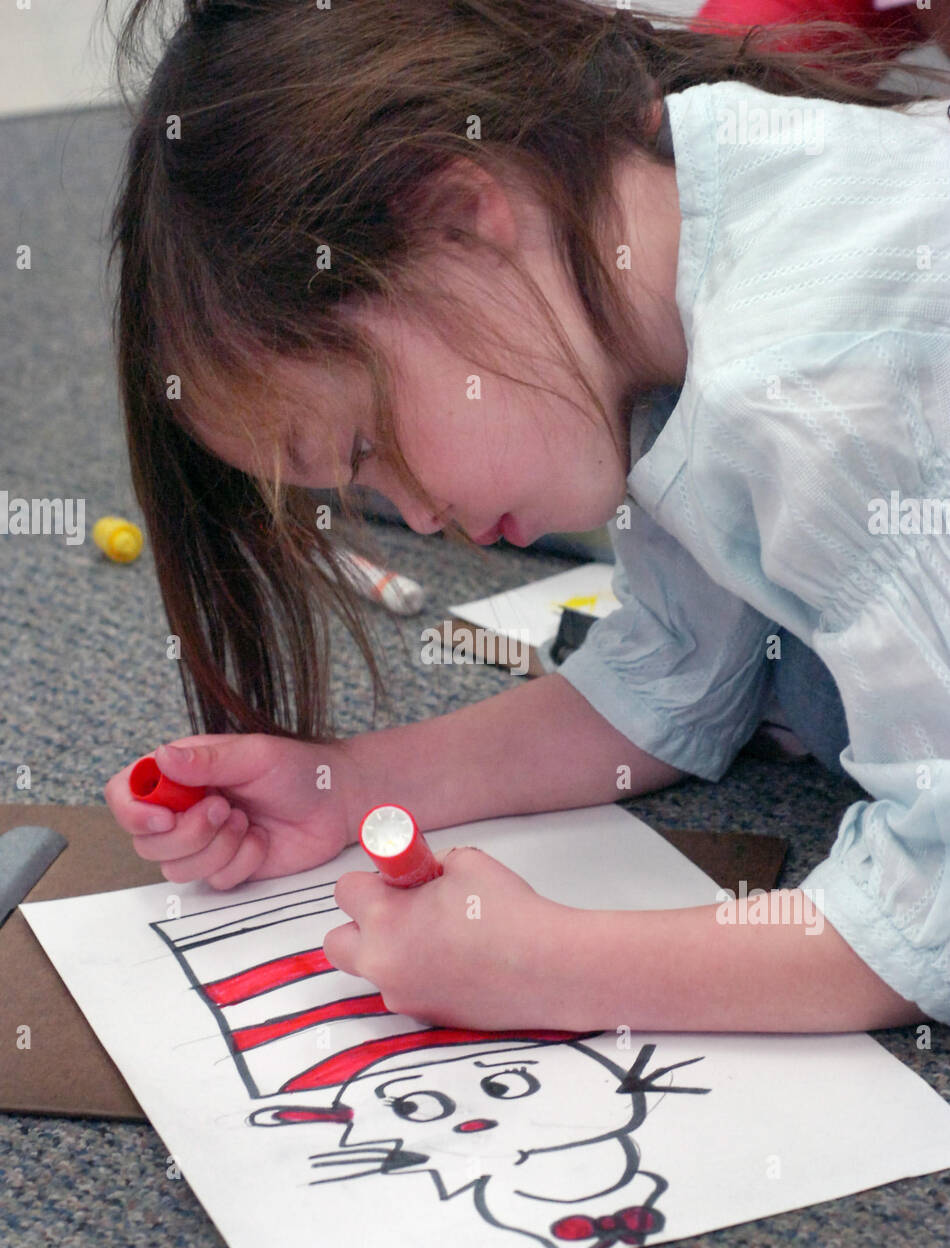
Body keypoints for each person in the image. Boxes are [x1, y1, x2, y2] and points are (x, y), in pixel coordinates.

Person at [104, 0, 950, 1034]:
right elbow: (680, 677)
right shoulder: (654, 261)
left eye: (367, 446)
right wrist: (350, 784)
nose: (420, 514)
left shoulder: (812, 381)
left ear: (461, 218)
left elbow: (933, 909)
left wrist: (545, 966)